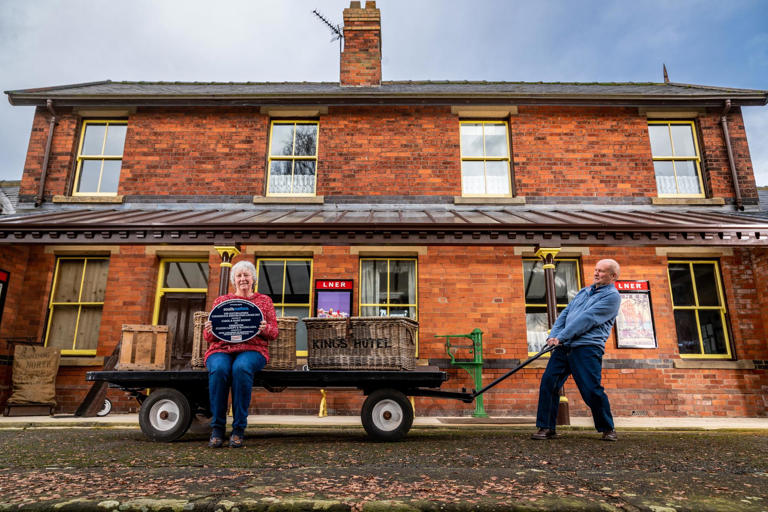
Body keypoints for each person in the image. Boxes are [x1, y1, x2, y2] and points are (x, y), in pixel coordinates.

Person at [532, 259, 622, 442]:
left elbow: (588, 319)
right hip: (563, 346)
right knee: (549, 383)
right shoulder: (584, 291)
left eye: (602, 271)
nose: (596, 273)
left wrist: (561, 337)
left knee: (590, 389)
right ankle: (546, 427)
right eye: (596, 270)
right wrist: (554, 336)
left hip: (587, 348)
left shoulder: (612, 297)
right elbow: (565, 314)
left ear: (613, 276)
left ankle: (607, 427)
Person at [203, 260, 278, 448]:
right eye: (239, 275)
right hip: (221, 349)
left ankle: (238, 429)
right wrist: (209, 329)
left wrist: (264, 328)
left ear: (253, 278)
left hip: (253, 350)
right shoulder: (221, 302)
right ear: (233, 280)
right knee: (219, 369)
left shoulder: (264, 301)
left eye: (246, 275)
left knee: (241, 368)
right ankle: (217, 428)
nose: (243, 279)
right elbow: (208, 336)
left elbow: (274, 332)